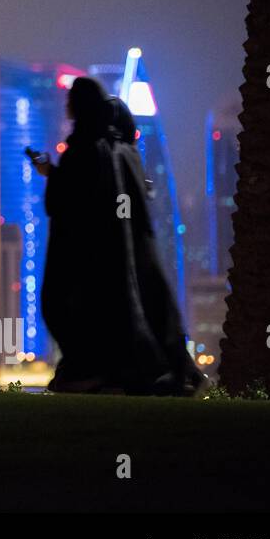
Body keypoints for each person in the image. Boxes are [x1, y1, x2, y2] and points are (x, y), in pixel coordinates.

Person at [36, 77, 166, 393]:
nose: (65, 105)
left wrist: (53, 176)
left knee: (59, 305)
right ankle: (89, 371)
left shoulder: (87, 148)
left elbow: (67, 199)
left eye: (71, 99)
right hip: (94, 248)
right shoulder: (103, 148)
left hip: (77, 249)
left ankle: (88, 372)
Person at [106, 96, 206, 396]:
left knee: (147, 315)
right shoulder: (131, 154)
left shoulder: (117, 155)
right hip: (144, 251)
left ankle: (174, 378)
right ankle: (180, 376)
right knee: (157, 315)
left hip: (133, 253)